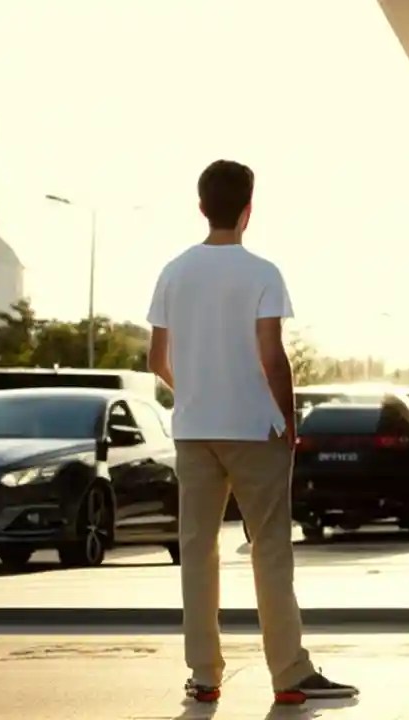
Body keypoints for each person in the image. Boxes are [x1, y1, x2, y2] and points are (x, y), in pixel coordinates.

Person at [146, 159, 357, 705]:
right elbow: (272, 357)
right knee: (269, 551)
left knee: (197, 552)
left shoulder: (173, 270)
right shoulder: (262, 272)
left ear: (201, 207)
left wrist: (193, 390)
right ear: (248, 209)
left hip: (194, 431)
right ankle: (289, 673)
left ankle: (205, 675)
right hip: (253, 430)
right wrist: (287, 419)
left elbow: (155, 359)